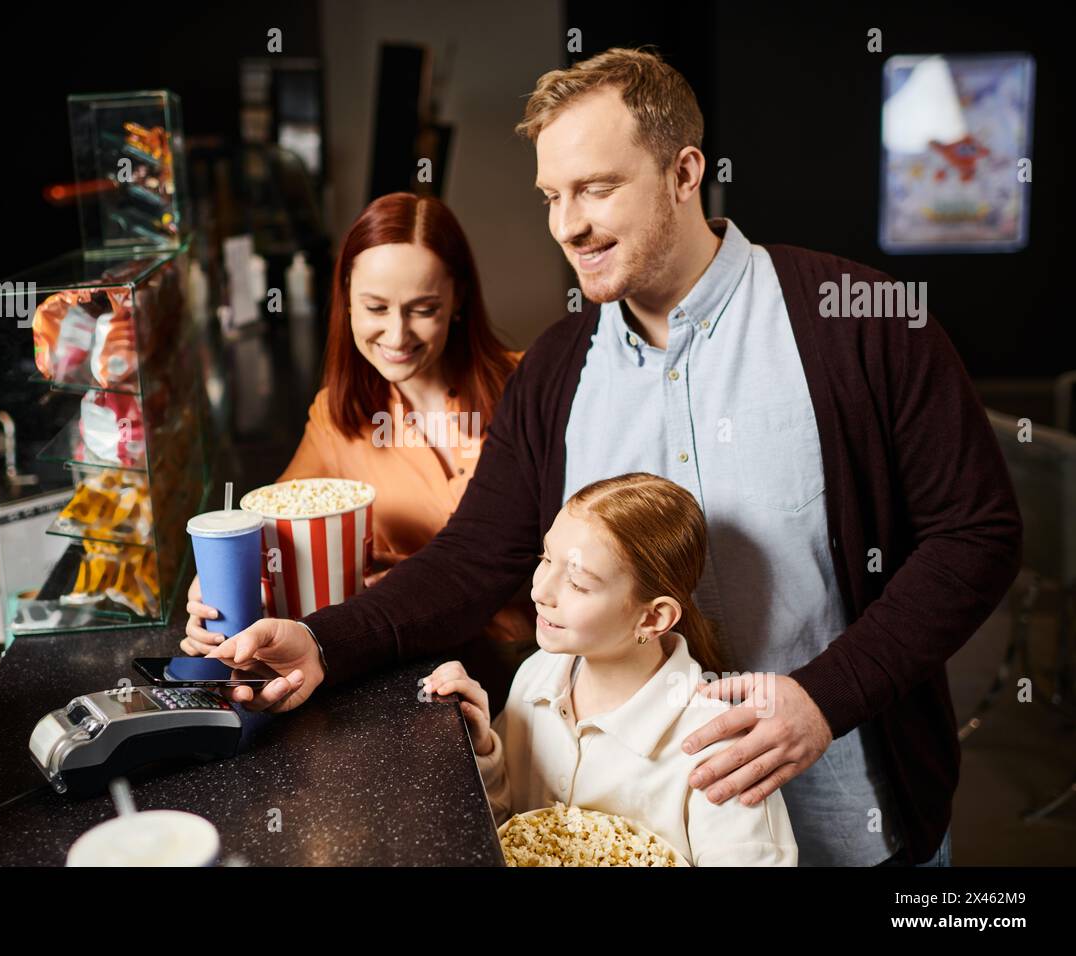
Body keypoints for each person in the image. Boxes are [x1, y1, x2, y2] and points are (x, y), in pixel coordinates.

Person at [195, 48, 1021, 867]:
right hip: (635, 833)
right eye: (553, 195)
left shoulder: (859, 325)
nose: (567, 224)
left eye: (596, 187)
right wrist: (323, 641)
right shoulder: (556, 369)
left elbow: (977, 535)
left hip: (853, 823)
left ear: (685, 171)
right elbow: (476, 558)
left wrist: (822, 701)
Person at [181, 192, 532, 703]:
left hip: (529, 667)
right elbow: (270, 535)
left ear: (458, 299)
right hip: (408, 672)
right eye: (374, 307)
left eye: (423, 309)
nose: (396, 333)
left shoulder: (528, 389)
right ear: (345, 297)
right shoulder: (337, 414)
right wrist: (217, 597)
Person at [424, 473, 797, 865]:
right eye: (546, 559)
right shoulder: (537, 675)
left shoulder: (718, 751)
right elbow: (508, 831)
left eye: (578, 584)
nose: (540, 591)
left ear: (653, 619)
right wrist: (481, 749)